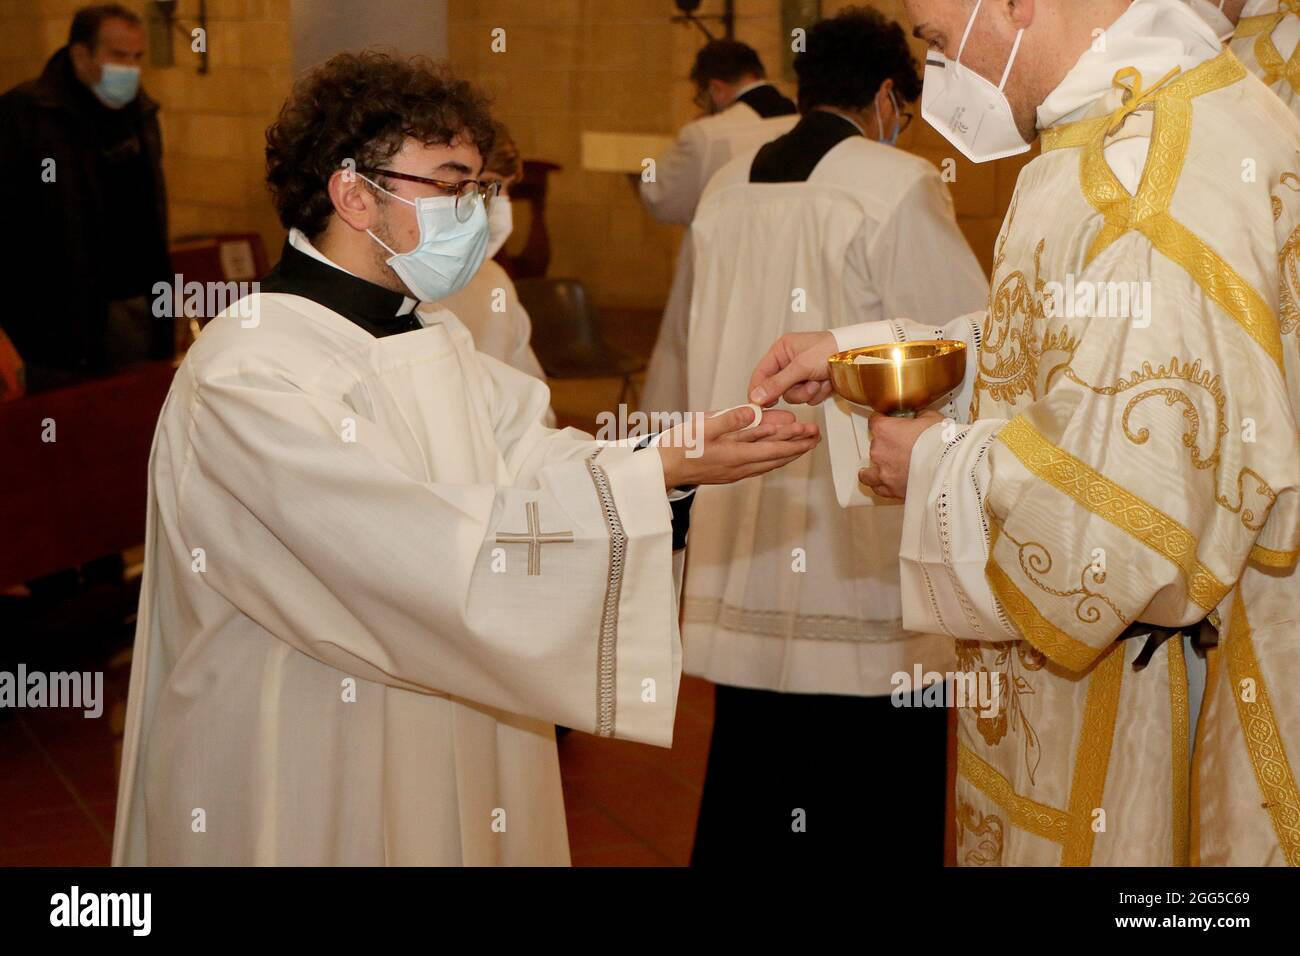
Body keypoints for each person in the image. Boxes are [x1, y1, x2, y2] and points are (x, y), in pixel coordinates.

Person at [111, 52, 820, 867]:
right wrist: (647, 476)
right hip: (305, 742)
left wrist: (668, 457)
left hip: (448, 719)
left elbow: (527, 461)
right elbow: (402, 552)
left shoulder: (432, 336)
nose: (476, 212)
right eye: (452, 184)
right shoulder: (251, 368)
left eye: (480, 187)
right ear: (353, 193)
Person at [750, 0, 1300, 866]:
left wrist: (929, 464)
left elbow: (1129, 519)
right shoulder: (1134, 121)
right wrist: (876, 356)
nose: (933, 80)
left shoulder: (1154, 171)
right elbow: (1066, 344)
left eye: (933, 39)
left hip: (1155, 688)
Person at [683, 8, 989, 865]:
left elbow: (689, 335)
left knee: (754, 768)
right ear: (888, 95)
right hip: (858, 531)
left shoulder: (725, 182)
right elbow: (953, 346)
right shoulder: (894, 181)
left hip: (742, 505)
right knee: (868, 793)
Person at [0, 4, 170, 392]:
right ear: (81, 54)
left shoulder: (141, 113)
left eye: (137, 57)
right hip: (57, 321)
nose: (130, 68)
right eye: (117, 55)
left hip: (137, 306)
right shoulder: (26, 115)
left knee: (132, 421)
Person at [638, 40, 799, 416]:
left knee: (704, 354)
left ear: (714, 87)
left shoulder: (708, 133)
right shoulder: (803, 119)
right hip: (785, 264)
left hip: (718, 265)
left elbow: (661, 197)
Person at [435, 123, 554, 425]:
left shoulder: (494, 281)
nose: (501, 207)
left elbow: (531, 403)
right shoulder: (408, 278)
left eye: (507, 191)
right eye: (488, 186)